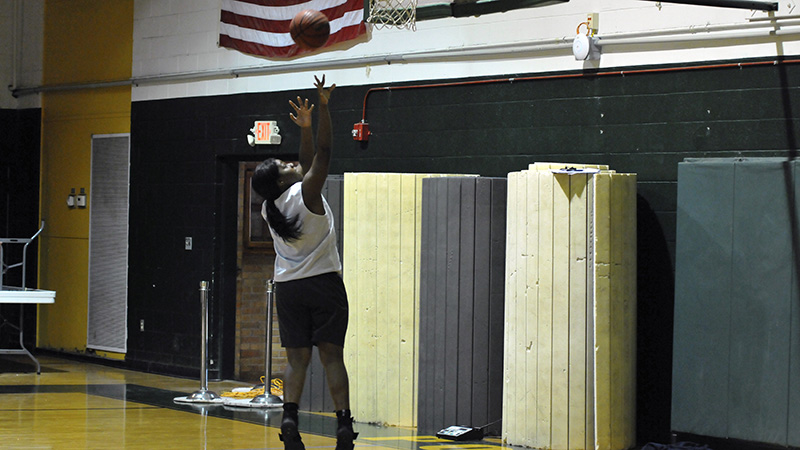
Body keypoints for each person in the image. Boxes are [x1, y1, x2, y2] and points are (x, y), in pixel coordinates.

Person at [251, 75, 356, 450]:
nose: (289, 163)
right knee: (331, 358)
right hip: (323, 283)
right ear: (283, 182)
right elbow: (322, 156)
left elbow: (307, 161)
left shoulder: (269, 207)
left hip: (288, 288)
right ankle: (344, 426)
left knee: (297, 362)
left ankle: (289, 423)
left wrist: (305, 129)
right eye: (283, 165)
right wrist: (325, 109)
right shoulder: (307, 194)